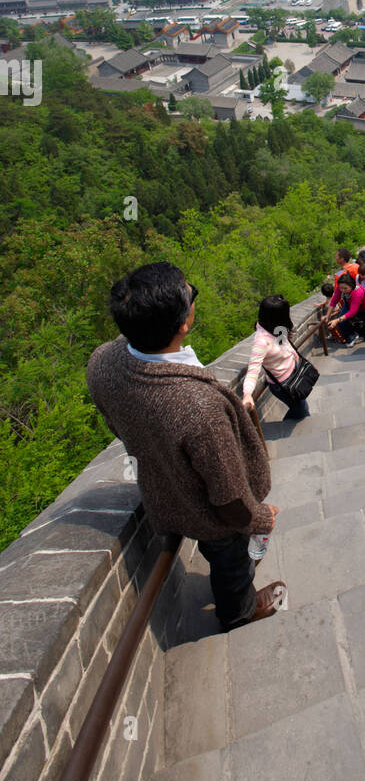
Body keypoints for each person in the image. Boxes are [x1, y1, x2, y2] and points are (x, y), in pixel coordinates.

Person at [86, 263, 284, 633]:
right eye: (190, 293)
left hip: (163, 493)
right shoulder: (196, 406)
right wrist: (260, 517)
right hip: (211, 515)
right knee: (230, 560)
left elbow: (118, 424)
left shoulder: (102, 364)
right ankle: (239, 610)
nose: (193, 292)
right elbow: (228, 500)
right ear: (183, 324)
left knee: (227, 554)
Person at [242, 295, 309, 421]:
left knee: (300, 409)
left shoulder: (275, 327)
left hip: (294, 374)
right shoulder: (261, 341)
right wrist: (247, 394)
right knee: (302, 411)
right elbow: (253, 370)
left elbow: (286, 346)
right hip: (284, 385)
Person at [327, 272, 365, 344]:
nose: (342, 290)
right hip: (348, 305)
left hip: (362, 309)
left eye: (345, 288)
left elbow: (352, 312)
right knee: (342, 323)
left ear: (352, 286)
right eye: (341, 288)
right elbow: (334, 301)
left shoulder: (358, 292)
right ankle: (351, 338)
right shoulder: (340, 288)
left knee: (362, 326)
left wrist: (336, 320)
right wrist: (327, 316)